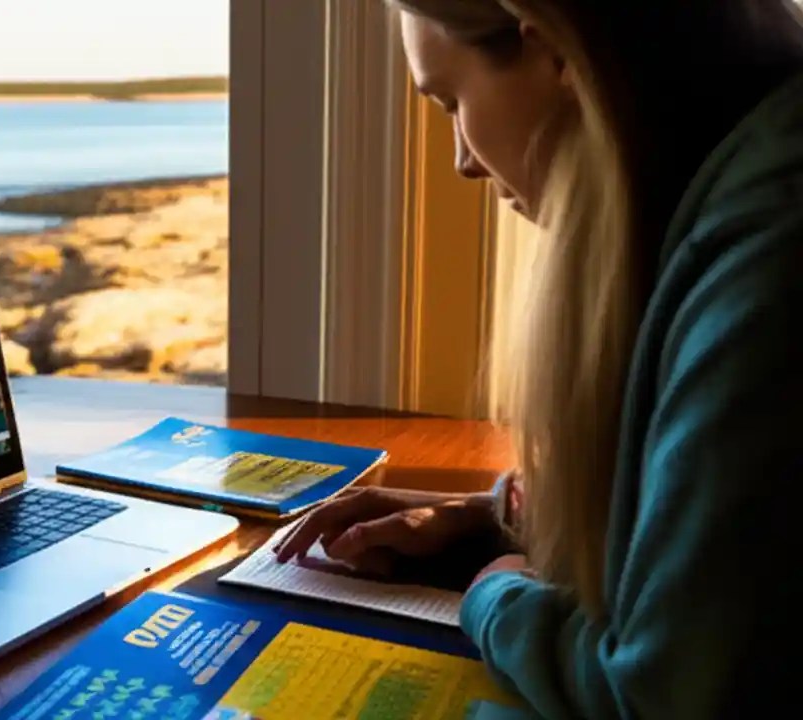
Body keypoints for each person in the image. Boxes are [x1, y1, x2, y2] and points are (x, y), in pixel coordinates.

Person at [275, 1, 803, 717]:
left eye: (451, 100)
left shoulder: (769, 263)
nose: (462, 158)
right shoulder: (741, 189)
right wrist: (496, 521)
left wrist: (496, 593)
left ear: (555, 51)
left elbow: (658, 698)